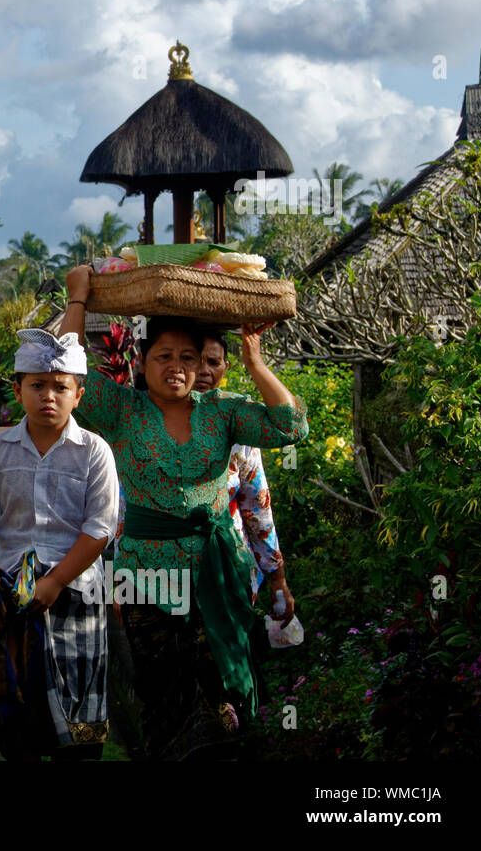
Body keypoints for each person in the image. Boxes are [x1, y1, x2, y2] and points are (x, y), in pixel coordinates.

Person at [60, 265, 309, 760]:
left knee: (222, 690)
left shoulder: (224, 410)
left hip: (217, 570)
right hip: (146, 575)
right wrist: (79, 300)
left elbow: (292, 426)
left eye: (188, 357)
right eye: (165, 356)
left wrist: (255, 362)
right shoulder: (121, 410)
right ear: (142, 361)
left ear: (200, 366)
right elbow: (68, 368)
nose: (176, 366)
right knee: (161, 692)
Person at [0, 329, 119, 759]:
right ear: (18, 390)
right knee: (16, 721)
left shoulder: (94, 451)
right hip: (12, 594)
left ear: (78, 395)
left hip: (75, 597)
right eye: (37, 385)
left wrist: (54, 583)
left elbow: (100, 528)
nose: (48, 395)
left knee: (78, 728)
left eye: (60, 386)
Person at [195, 331, 296, 621]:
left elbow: (257, 507)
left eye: (213, 362)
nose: (204, 371)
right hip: (160, 574)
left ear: (226, 367)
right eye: (194, 360)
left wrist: (277, 578)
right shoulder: (146, 421)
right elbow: (126, 508)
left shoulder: (237, 422)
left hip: (230, 568)